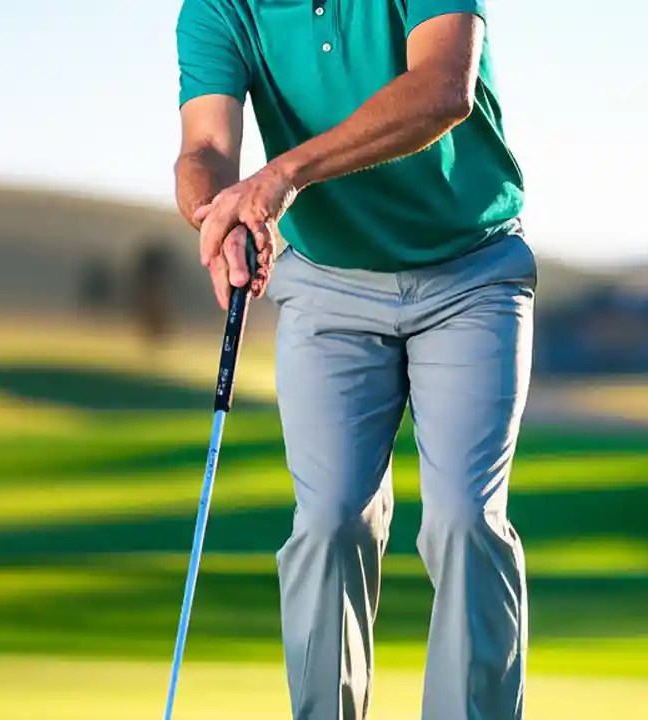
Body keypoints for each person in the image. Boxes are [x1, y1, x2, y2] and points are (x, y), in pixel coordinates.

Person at [174, 2, 532, 718]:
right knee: (328, 522)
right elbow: (206, 145)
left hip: (469, 273)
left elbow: (443, 89)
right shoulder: (219, 8)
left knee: (464, 520)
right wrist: (218, 213)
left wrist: (283, 176)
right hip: (327, 286)